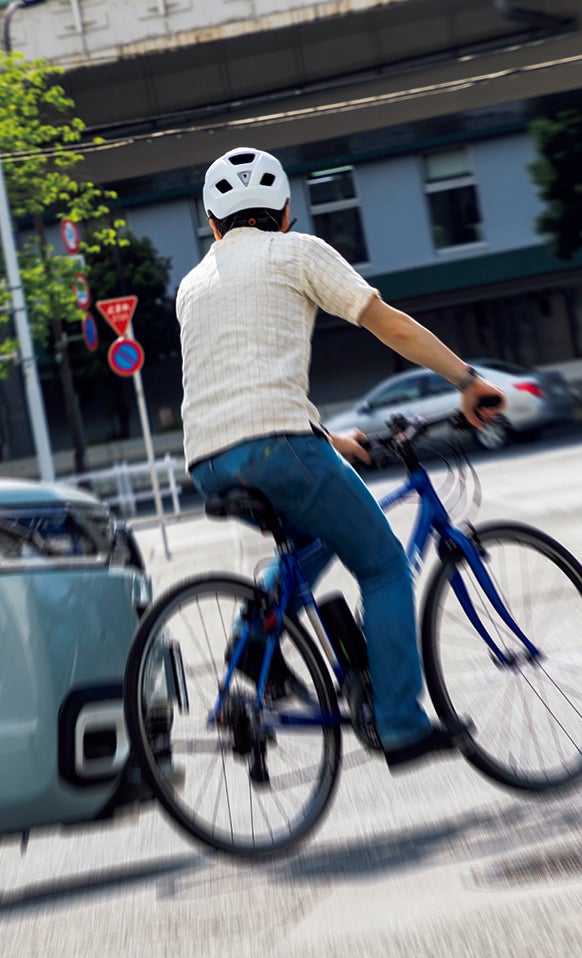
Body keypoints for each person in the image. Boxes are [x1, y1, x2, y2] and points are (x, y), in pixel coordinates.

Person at [177, 147, 507, 772]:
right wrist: (466, 379)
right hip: (281, 448)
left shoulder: (192, 287)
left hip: (209, 463)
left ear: (213, 225)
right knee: (382, 563)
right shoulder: (298, 252)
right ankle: (402, 724)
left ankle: (255, 649)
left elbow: (240, 389)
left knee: (312, 539)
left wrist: (328, 443)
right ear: (284, 213)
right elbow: (391, 328)